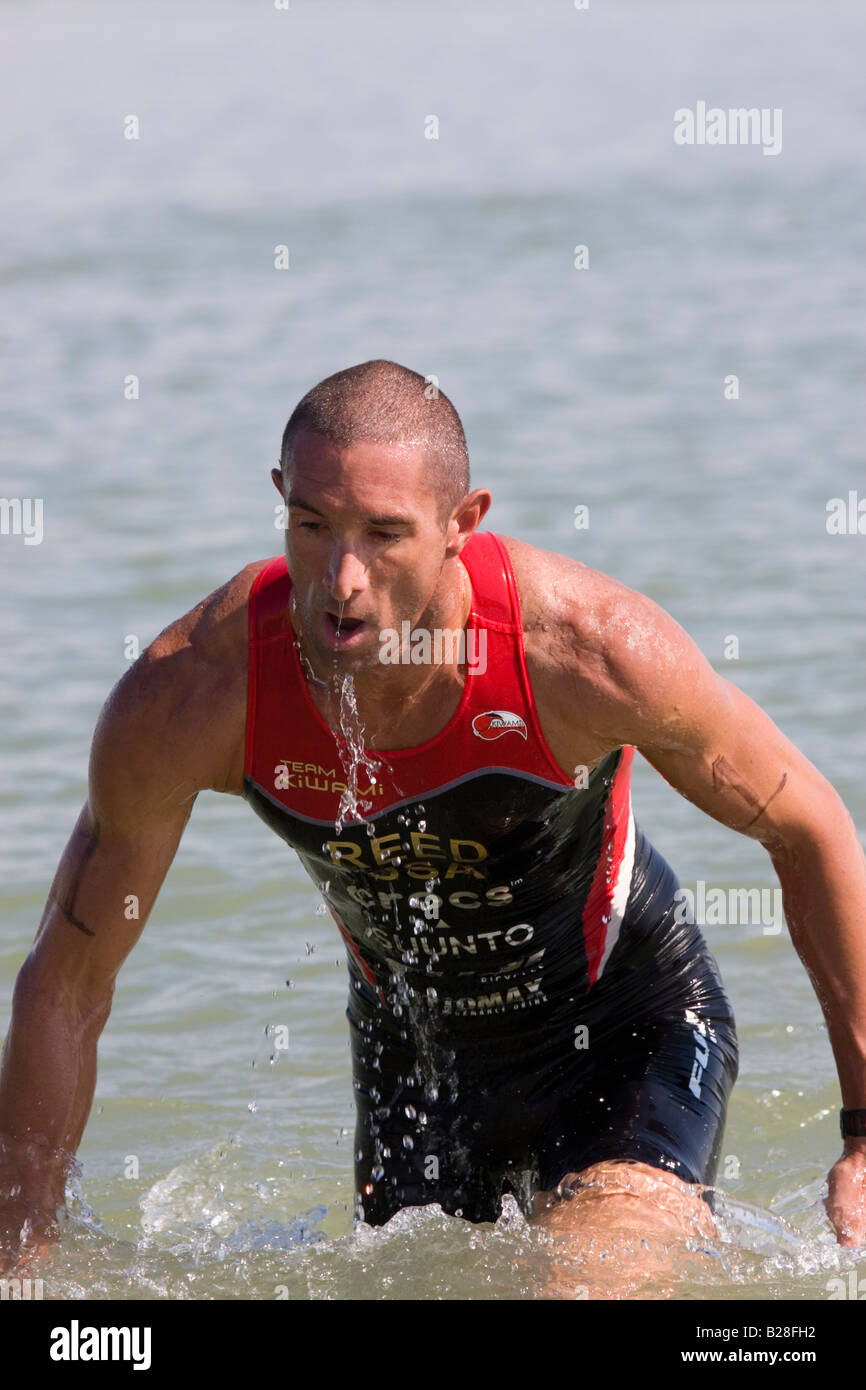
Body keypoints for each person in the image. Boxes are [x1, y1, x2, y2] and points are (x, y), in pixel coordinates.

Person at [2, 360, 865, 1295]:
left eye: (385, 535)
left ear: (464, 524)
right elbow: (68, 975)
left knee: (585, 1288)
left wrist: (864, 1137)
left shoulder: (587, 653)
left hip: (625, 1029)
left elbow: (807, 824)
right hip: (413, 1061)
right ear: (279, 500)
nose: (344, 580)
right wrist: (22, 1246)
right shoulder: (195, 695)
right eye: (313, 525)